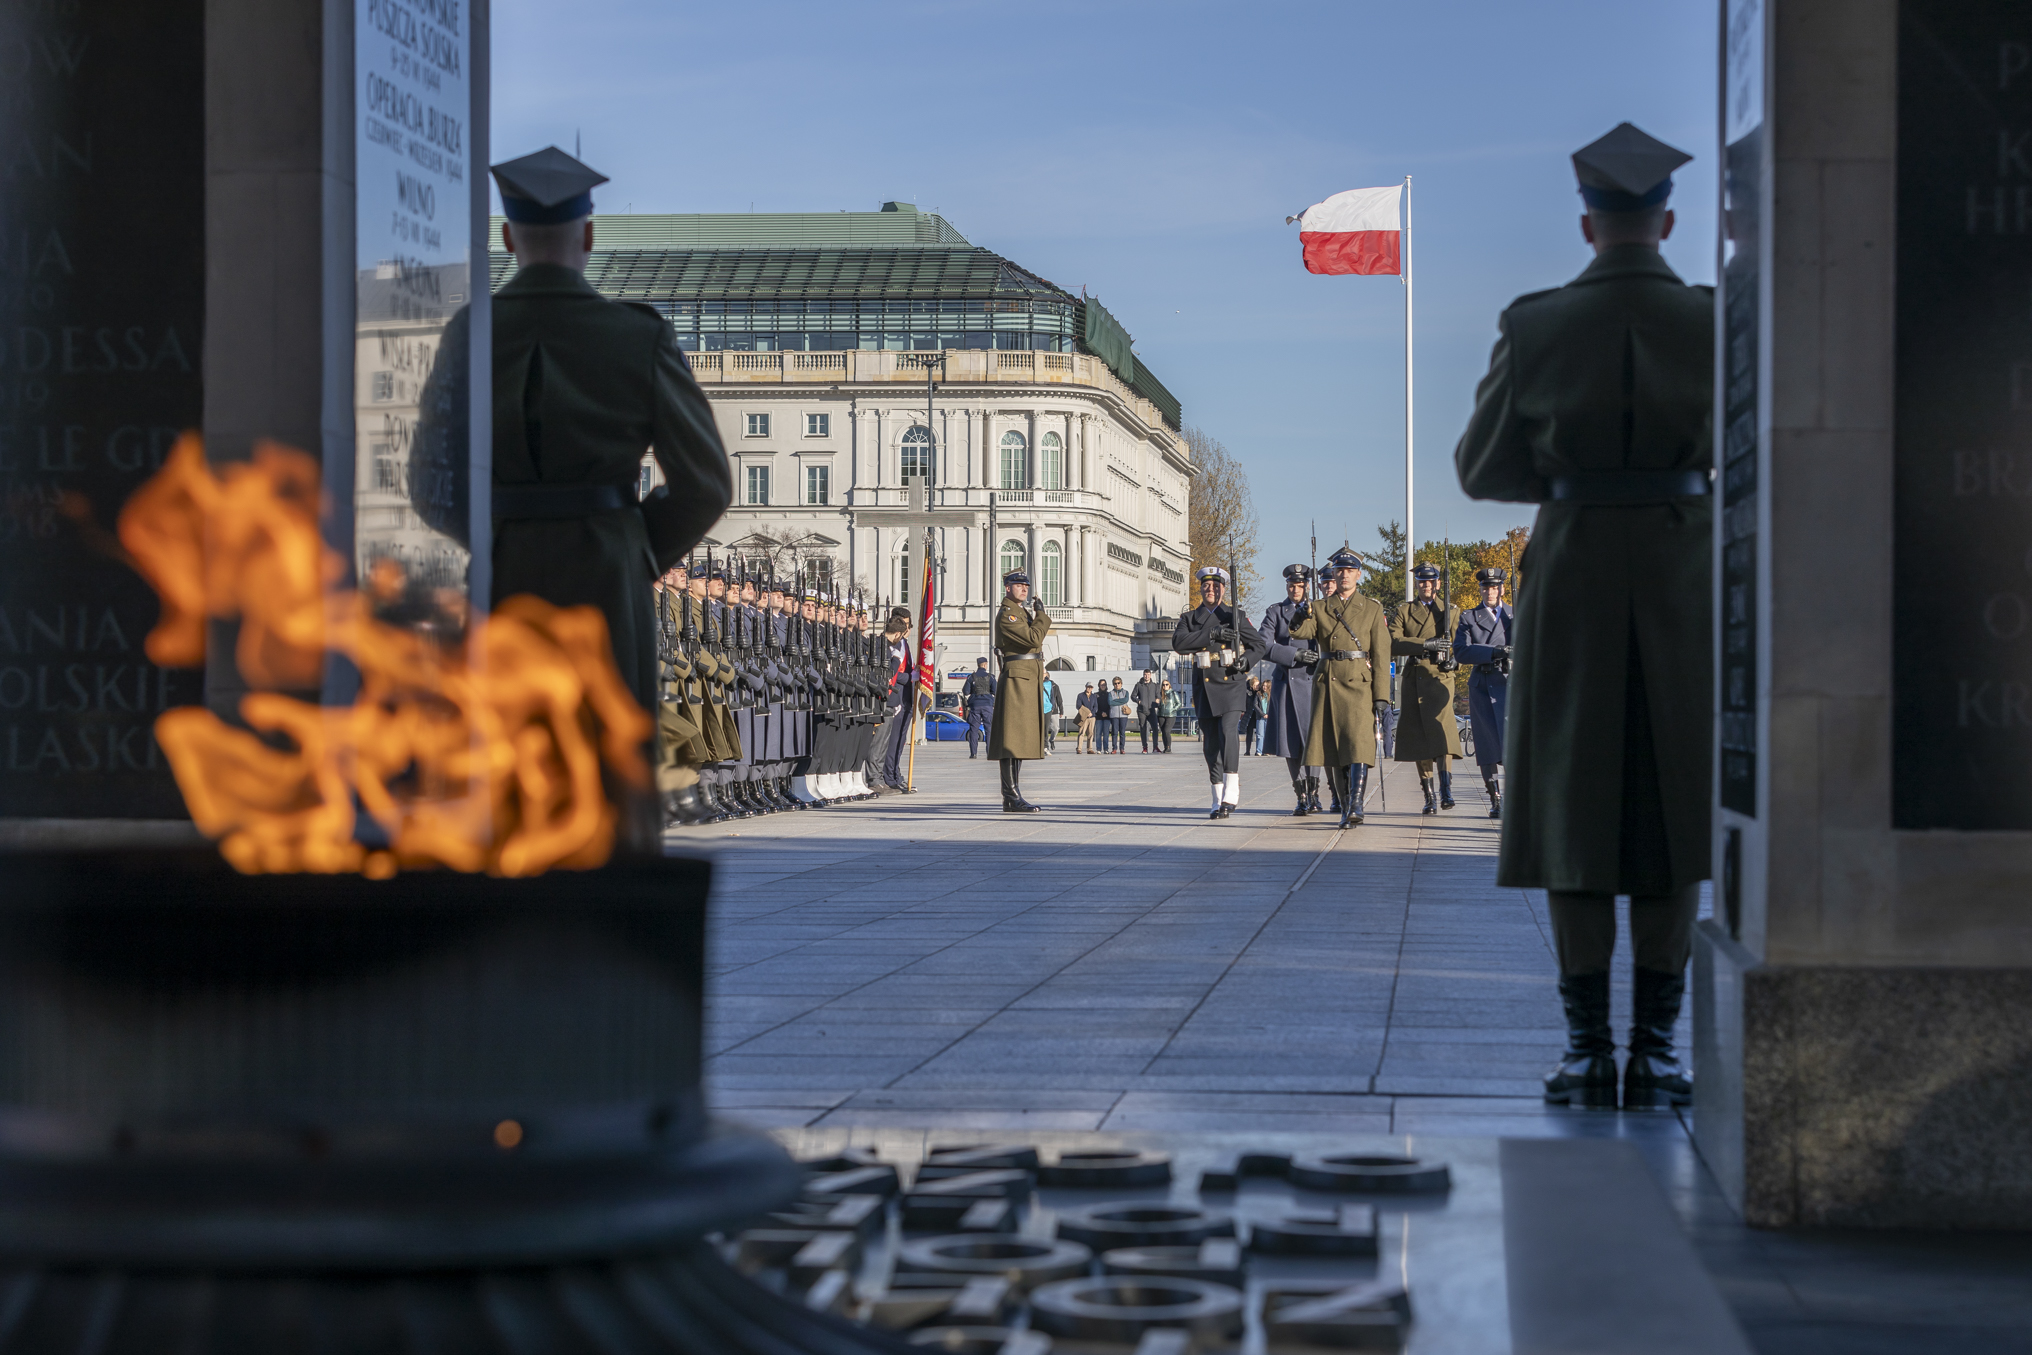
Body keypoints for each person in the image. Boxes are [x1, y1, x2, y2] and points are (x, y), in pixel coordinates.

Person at [1454, 122, 1713, 1111]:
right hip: (1682, 567)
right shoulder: (1711, 318)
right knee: (1668, 802)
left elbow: (1481, 468)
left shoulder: (1535, 324)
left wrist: (1567, 476)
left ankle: (1586, 1049)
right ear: (1667, 221)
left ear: (1586, 223)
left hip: (1570, 575)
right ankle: (1654, 1051)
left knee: (1572, 807)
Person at [457, 148, 731, 833]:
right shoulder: (636, 335)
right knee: (611, 783)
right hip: (607, 581)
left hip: (502, 579)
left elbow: (428, 480)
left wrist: (495, 535)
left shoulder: (469, 333)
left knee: (509, 774)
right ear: (588, 235)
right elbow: (705, 484)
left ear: (507, 238)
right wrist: (633, 548)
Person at [1291, 548, 1392, 828]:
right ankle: (1347, 805)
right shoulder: (1321, 607)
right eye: (1340, 570)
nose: (1344, 574)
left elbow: (1382, 654)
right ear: (1333, 574)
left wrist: (1382, 695)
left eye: (1350, 570)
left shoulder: (1372, 608)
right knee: (1335, 751)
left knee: (1358, 745)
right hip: (1329, 681)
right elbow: (1301, 632)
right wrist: (1300, 615)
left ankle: (1357, 803)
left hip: (1359, 682)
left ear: (1358, 575)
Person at [1173, 566, 1268, 819]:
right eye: (1206, 585)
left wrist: (1245, 662)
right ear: (1201, 589)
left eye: (1216, 586)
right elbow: (1179, 643)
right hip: (1204, 685)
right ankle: (1217, 799)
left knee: (1228, 732)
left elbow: (1258, 644)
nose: (1211, 590)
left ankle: (1232, 790)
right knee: (1210, 744)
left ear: (1224, 589)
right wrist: (1211, 633)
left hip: (1231, 682)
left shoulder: (1235, 616)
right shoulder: (1190, 618)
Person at [1390, 562, 1465, 814]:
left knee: (1443, 734)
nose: (1426, 586)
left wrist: (1457, 660)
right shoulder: (1404, 611)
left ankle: (1446, 790)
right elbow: (1393, 641)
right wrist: (1425, 644)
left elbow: (1462, 644)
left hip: (1441, 678)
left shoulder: (1451, 612)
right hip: (1415, 677)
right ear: (1417, 584)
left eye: (1431, 581)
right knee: (1421, 738)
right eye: (1422, 582)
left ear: (1438, 584)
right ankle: (1429, 795)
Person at [988, 570, 1052, 811]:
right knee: (1011, 741)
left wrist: (1035, 617)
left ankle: (1011, 795)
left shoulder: (1021, 613)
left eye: (1026, 585)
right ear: (1007, 588)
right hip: (1017, 678)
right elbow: (1033, 638)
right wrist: (1042, 616)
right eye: (1018, 585)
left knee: (1020, 741)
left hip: (1027, 677)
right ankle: (1011, 794)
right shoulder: (1008, 615)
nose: (1024, 589)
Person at [1260, 564, 1321, 815]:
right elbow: (1262, 644)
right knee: (1290, 743)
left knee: (1312, 742)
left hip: (1311, 681)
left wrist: (1315, 656)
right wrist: (1295, 653)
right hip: (1286, 682)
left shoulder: (1317, 610)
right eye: (1291, 585)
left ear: (1306, 586)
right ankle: (1301, 794)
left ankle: (1315, 794)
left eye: (1299, 585)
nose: (1295, 589)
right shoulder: (1276, 611)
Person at [1455, 567, 1515, 818]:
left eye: (1494, 587)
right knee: (1488, 746)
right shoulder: (1469, 617)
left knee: (1514, 745)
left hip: (1511, 684)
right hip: (1483, 684)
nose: (1489, 591)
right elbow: (1461, 652)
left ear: (1502, 589)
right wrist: (1494, 652)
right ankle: (1496, 798)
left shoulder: (1516, 614)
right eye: (1485, 587)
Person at [880, 606, 915, 790]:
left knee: (901, 738)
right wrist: (909, 677)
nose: (907, 630)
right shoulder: (890, 643)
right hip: (895, 693)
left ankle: (895, 772)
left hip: (906, 693)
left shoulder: (904, 643)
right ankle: (889, 776)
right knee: (891, 739)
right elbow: (890, 673)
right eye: (905, 626)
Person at [962, 656, 996, 758]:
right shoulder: (991, 677)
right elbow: (996, 691)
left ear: (978, 665)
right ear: (985, 665)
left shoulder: (971, 677)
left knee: (973, 729)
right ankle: (989, 752)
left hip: (975, 706)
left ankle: (973, 753)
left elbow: (966, 692)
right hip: (988, 706)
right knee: (989, 729)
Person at [1132, 670, 1164, 752]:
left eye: (1148, 675)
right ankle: (1144, 747)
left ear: (1150, 675)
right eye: (1145, 675)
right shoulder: (1139, 685)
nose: (1147, 676)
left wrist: (1157, 700)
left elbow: (1158, 696)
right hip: (1141, 710)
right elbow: (1133, 696)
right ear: (1143, 675)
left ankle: (1155, 747)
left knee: (1155, 728)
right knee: (1143, 728)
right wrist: (1138, 701)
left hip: (1151, 710)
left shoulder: (1155, 686)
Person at [1107, 677, 1131, 755]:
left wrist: (1115, 701)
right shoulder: (1110, 693)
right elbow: (1110, 702)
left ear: (1121, 683)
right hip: (1114, 715)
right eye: (1115, 683)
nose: (1117, 685)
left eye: (1118, 683)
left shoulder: (1125, 692)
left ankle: (1122, 748)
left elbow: (1125, 700)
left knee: (1122, 732)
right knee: (1114, 732)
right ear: (1113, 684)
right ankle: (1114, 748)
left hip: (1123, 715)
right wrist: (1120, 701)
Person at [1040, 670, 1062, 754]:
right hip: (1038, 708)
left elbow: (1054, 696)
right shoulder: (1036, 682)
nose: (1043, 675)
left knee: (1046, 728)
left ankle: (1045, 747)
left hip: (1047, 708)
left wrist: (1052, 706)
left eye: (1044, 674)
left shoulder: (1050, 684)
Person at [1156, 680, 1179, 752]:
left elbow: (1179, 703)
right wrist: (1157, 703)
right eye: (1163, 685)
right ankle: (1165, 747)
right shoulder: (1160, 694)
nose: (1165, 686)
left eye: (1166, 684)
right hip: (1161, 715)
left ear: (1169, 685)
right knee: (1163, 731)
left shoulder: (1173, 693)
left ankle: (1169, 747)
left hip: (1170, 715)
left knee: (1167, 731)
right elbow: (1158, 705)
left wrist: (1173, 709)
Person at [1075, 682, 1098, 753]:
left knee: (1090, 733)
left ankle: (1090, 749)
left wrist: (1092, 713)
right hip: (1083, 717)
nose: (1089, 688)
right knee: (1081, 732)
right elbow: (1078, 705)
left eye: (1091, 687)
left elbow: (1096, 706)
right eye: (1088, 687)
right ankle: (1079, 748)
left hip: (1092, 717)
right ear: (1085, 686)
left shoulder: (1094, 696)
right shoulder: (1080, 695)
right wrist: (1087, 713)